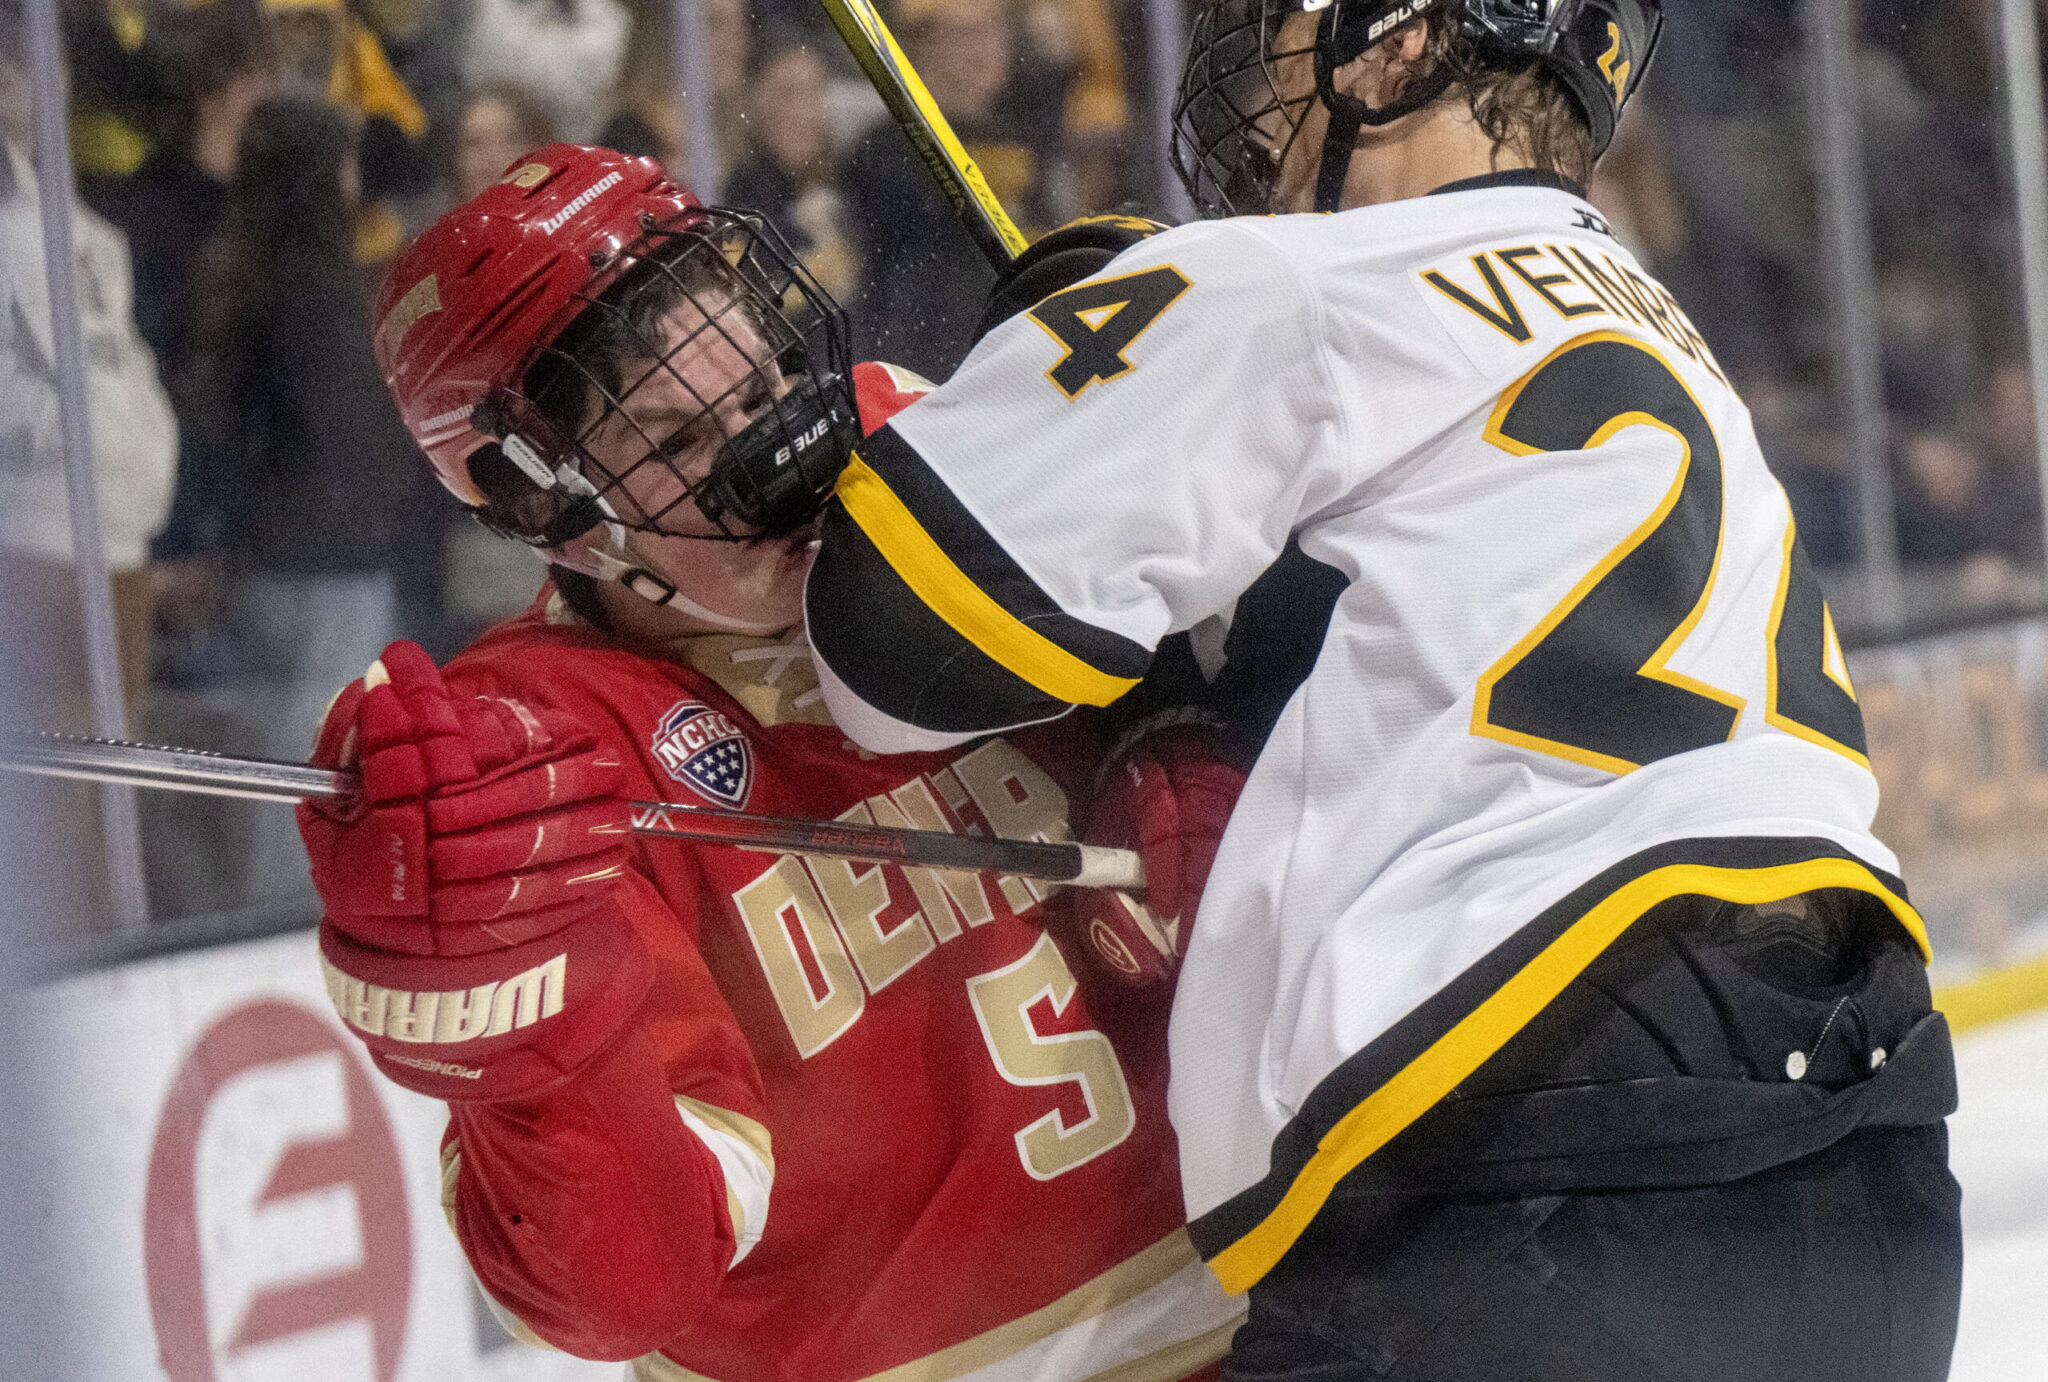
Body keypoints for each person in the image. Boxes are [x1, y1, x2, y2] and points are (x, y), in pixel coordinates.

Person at [799, 3, 1965, 1379]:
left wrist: (1046, 384)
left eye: (1290, 30)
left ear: (1399, 45)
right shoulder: (1652, 316)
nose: (1252, 82)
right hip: (1873, 1148)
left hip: (1529, 1137)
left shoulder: (1288, 280)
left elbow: (888, 643)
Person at [299, 143, 1248, 1379]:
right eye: (679, 439)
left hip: (1255, 1319)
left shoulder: (931, 454)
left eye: (761, 390)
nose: (778, 453)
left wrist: (1185, 733)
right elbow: (621, 1287)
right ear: (541, 507)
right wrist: (527, 1030)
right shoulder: (533, 752)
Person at [167, 96, 418, 900]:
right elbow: (347, 436)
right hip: (327, 570)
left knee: (278, 767)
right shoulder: (316, 292)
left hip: (266, 562)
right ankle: (290, 923)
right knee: (316, 776)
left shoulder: (237, 272)